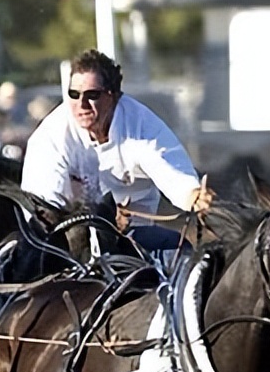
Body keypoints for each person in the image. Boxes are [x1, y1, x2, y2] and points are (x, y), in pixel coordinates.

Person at [20, 49, 213, 256]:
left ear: (113, 96)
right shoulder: (52, 134)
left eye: (92, 95)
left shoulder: (142, 127)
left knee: (180, 247)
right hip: (68, 235)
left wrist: (195, 197)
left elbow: (174, 174)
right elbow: (44, 208)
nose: (81, 104)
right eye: (73, 94)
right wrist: (98, 220)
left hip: (131, 234)